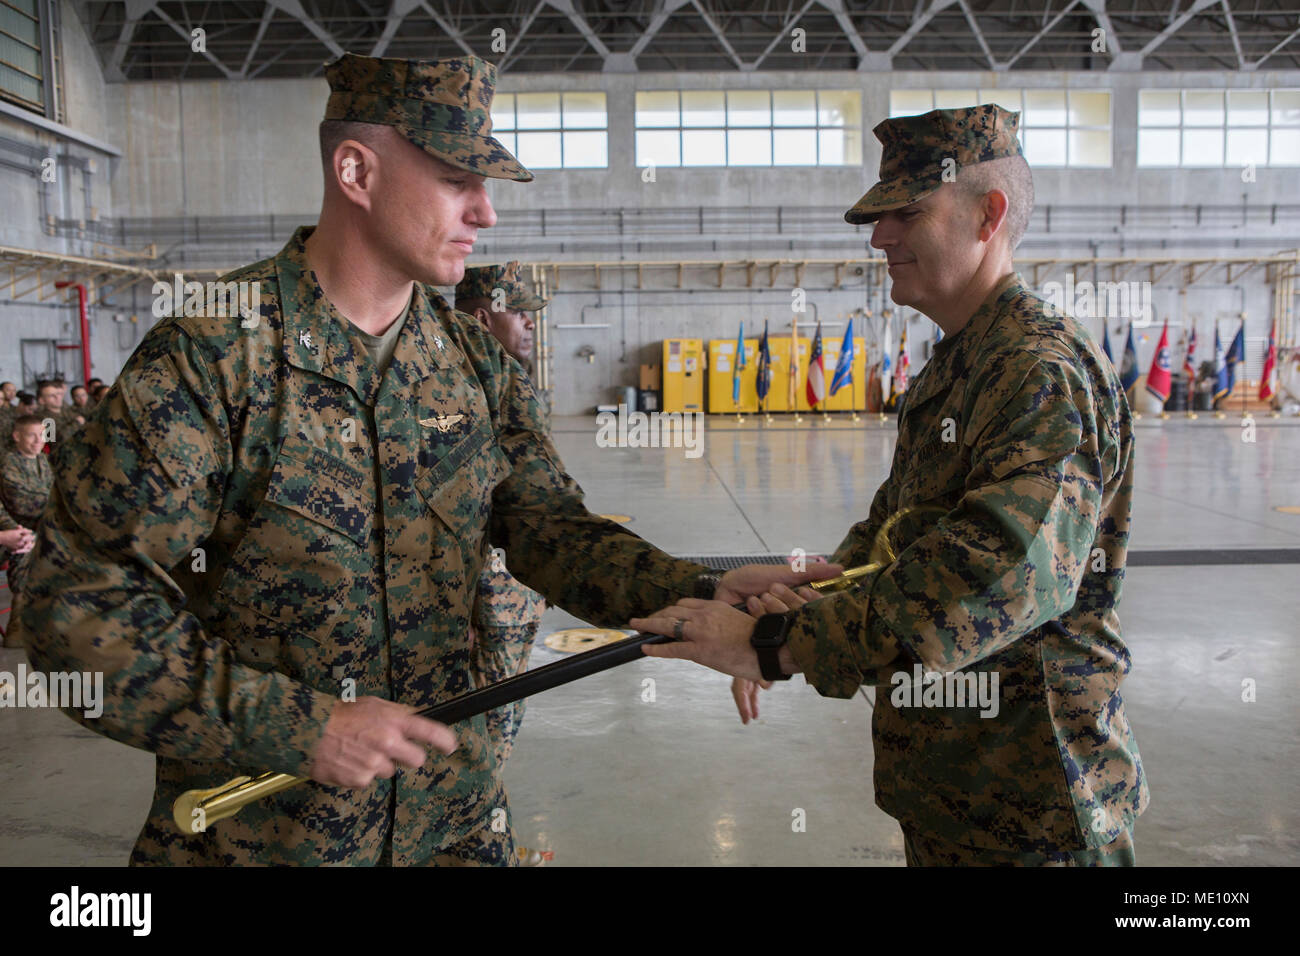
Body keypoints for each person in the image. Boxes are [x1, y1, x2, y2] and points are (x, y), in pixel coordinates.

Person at [16, 51, 830, 867]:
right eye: (454, 180)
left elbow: (549, 528)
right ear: (356, 171)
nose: (486, 213)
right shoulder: (213, 359)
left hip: (454, 827)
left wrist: (694, 591)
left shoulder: (471, 363)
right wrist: (300, 726)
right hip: (267, 843)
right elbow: (76, 609)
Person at [634, 104, 1148, 867]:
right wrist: (798, 599)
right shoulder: (958, 366)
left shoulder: (1037, 371)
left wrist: (780, 647)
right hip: (952, 785)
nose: (880, 237)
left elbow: (998, 574)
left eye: (907, 212)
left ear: (989, 215)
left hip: (1034, 799)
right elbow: (894, 539)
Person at [456, 264, 549, 833]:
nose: (531, 324)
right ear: (482, 317)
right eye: (520, 313)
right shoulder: (452, 393)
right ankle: (476, 837)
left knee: (501, 729)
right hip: (484, 609)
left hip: (514, 600)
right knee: (481, 746)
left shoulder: (510, 383)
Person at [0, 414, 51, 639]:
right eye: (32, 435)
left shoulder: (42, 461)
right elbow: (20, 502)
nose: (38, 440)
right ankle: (17, 629)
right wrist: (17, 533)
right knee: (26, 547)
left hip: (34, 527)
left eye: (42, 435)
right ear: (16, 436)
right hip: (14, 530)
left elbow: (54, 494)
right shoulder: (9, 462)